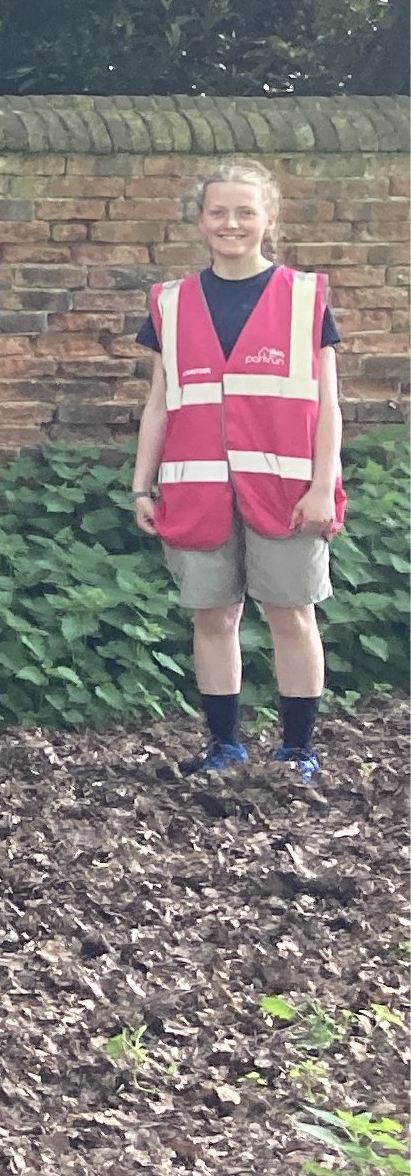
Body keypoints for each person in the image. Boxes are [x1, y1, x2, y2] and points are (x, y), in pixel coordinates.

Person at [132, 162, 343, 785]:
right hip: (196, 489)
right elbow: (158, 400)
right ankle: (225, 745)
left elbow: (328, 403)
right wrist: (142, 485)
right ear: (200, 220)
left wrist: (322, 485)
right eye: (219, 211)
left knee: (291, 614)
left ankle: (297, 750)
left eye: (246, 212)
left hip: (287, 491)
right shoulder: (170, 301)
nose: (232, 223)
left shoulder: (305, 295)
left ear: (269, 220)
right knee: (212, 616)